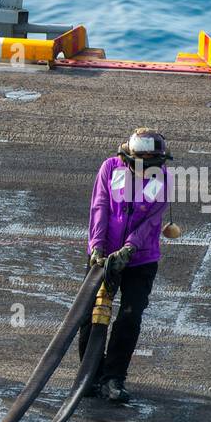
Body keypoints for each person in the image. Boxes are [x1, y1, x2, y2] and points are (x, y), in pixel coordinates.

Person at [78, 128, 173, 403]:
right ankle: (90, 375)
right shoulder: (110, 168)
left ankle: (113, 378)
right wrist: (97, 246)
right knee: (90, 316)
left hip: (140, 259)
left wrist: (130, 247)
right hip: (103, 256)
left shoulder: (163, 179)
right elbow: (100, 205)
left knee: (130, 316)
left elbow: (152, 221)